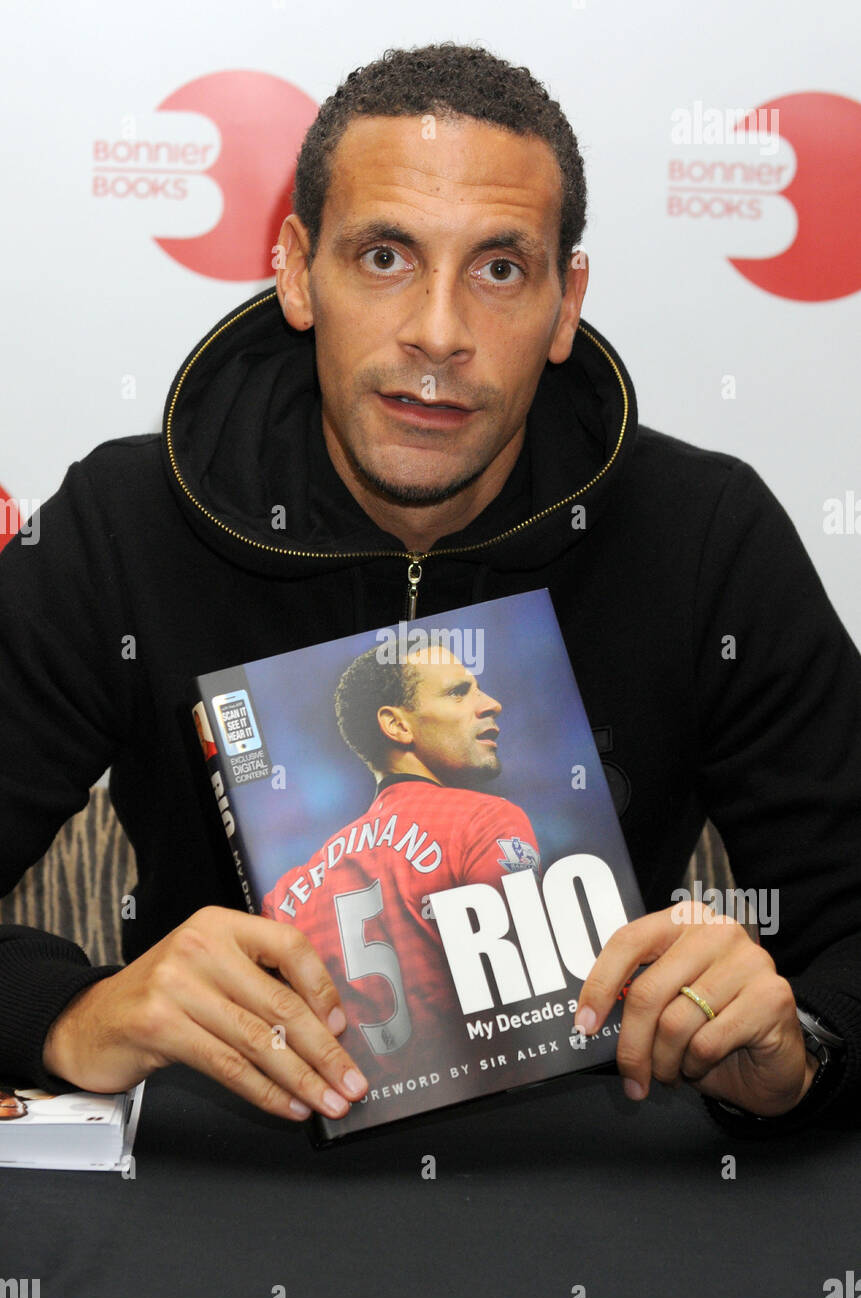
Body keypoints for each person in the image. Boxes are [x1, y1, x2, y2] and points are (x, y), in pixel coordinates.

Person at [0, 43, 858, 1136]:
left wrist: (808, 1049)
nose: (439, 334)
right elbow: (71, 1015)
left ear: (565, 302)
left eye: (500, 268)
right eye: (386, 257)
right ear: (298, 270)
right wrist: (70, 1012)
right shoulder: (126, 523)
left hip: (593, 1173)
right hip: (225, 1168)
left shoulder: (704, 537)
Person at [261, 642, 540, 1085]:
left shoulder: (285, 897)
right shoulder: (485, 821)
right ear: (396, 725)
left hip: (347, 1116)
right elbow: (535, 1009)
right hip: (488, 1116)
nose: (491, 704)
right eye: (458, 692)